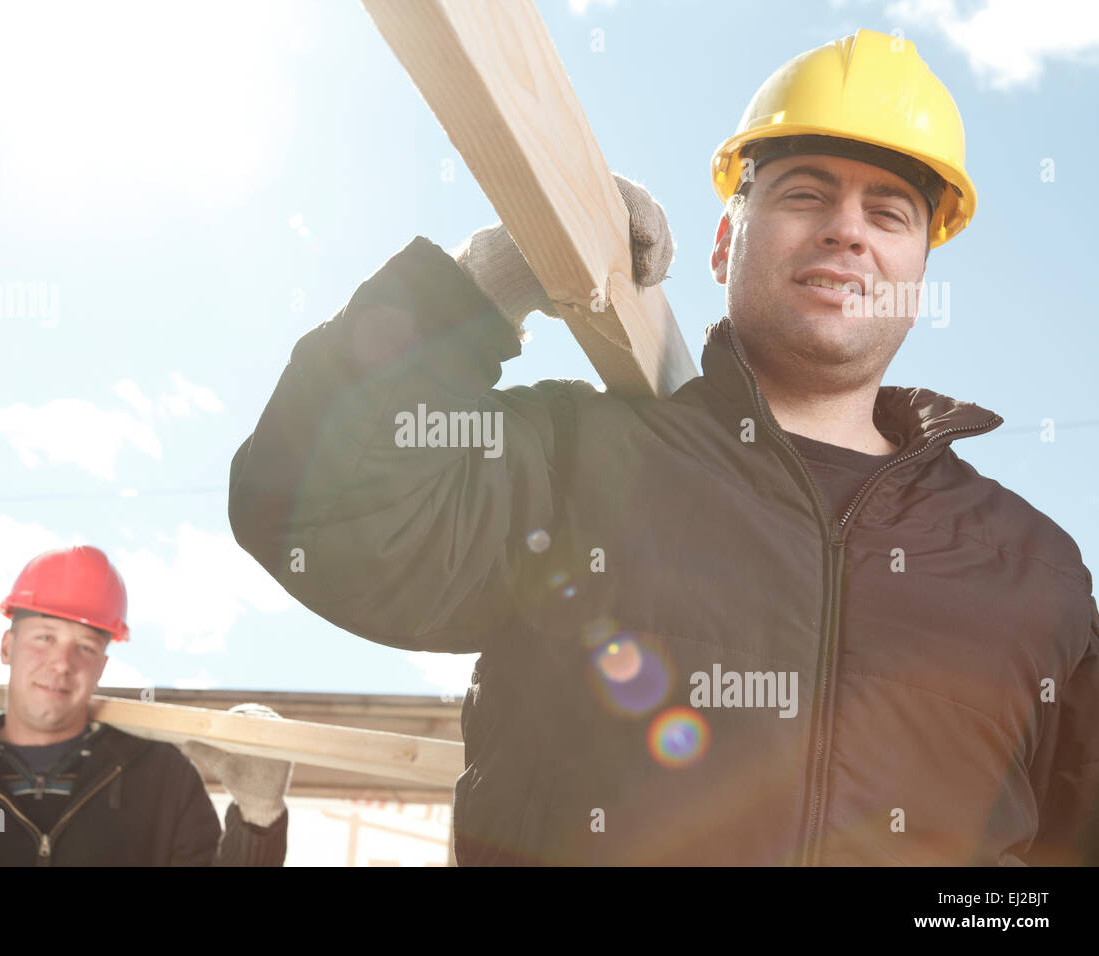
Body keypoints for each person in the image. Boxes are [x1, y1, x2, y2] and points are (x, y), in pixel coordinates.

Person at [226, 27, 1099, 866]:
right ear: (725, 243)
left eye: (890, 211)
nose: (847, 228)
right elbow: (325, 509)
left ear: (917, 276)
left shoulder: (1033, 570)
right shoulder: (581, 460)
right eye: (804, 193)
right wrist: (497, 276)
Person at [0, 545, 290, 866]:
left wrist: (259, 821)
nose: (61, 664)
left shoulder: (163, 780)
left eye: (83, 646)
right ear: (8, 646)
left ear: (102, 666)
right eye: (44, 637)